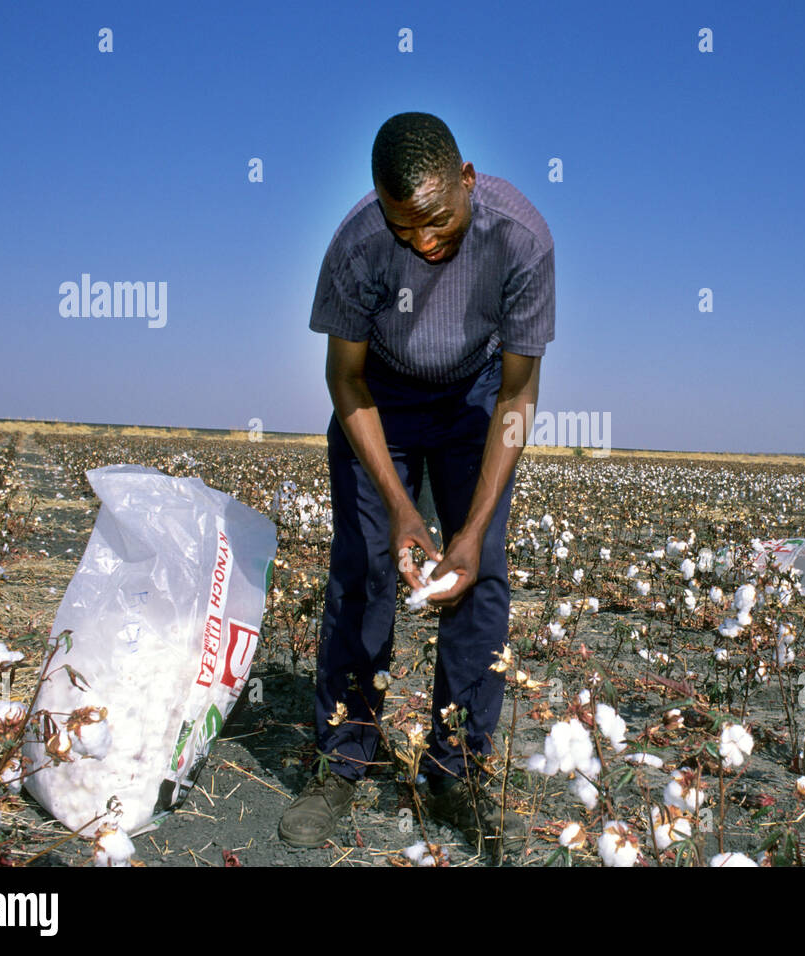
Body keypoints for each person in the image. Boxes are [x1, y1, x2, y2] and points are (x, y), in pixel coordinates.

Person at [279, 112, 555, 851]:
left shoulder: (522, 241)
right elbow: (345, 378)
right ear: (380, 208)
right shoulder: (359, 245)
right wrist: (403, 511)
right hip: (383, 398)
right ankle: (343, 760)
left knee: (479, 574)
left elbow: (518, 397)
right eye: (406, 229)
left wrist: (468, 531)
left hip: (478, 396)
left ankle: (455, 768)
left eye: (436, 220)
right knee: (365, 568)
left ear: (468, 179)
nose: (424, 242)